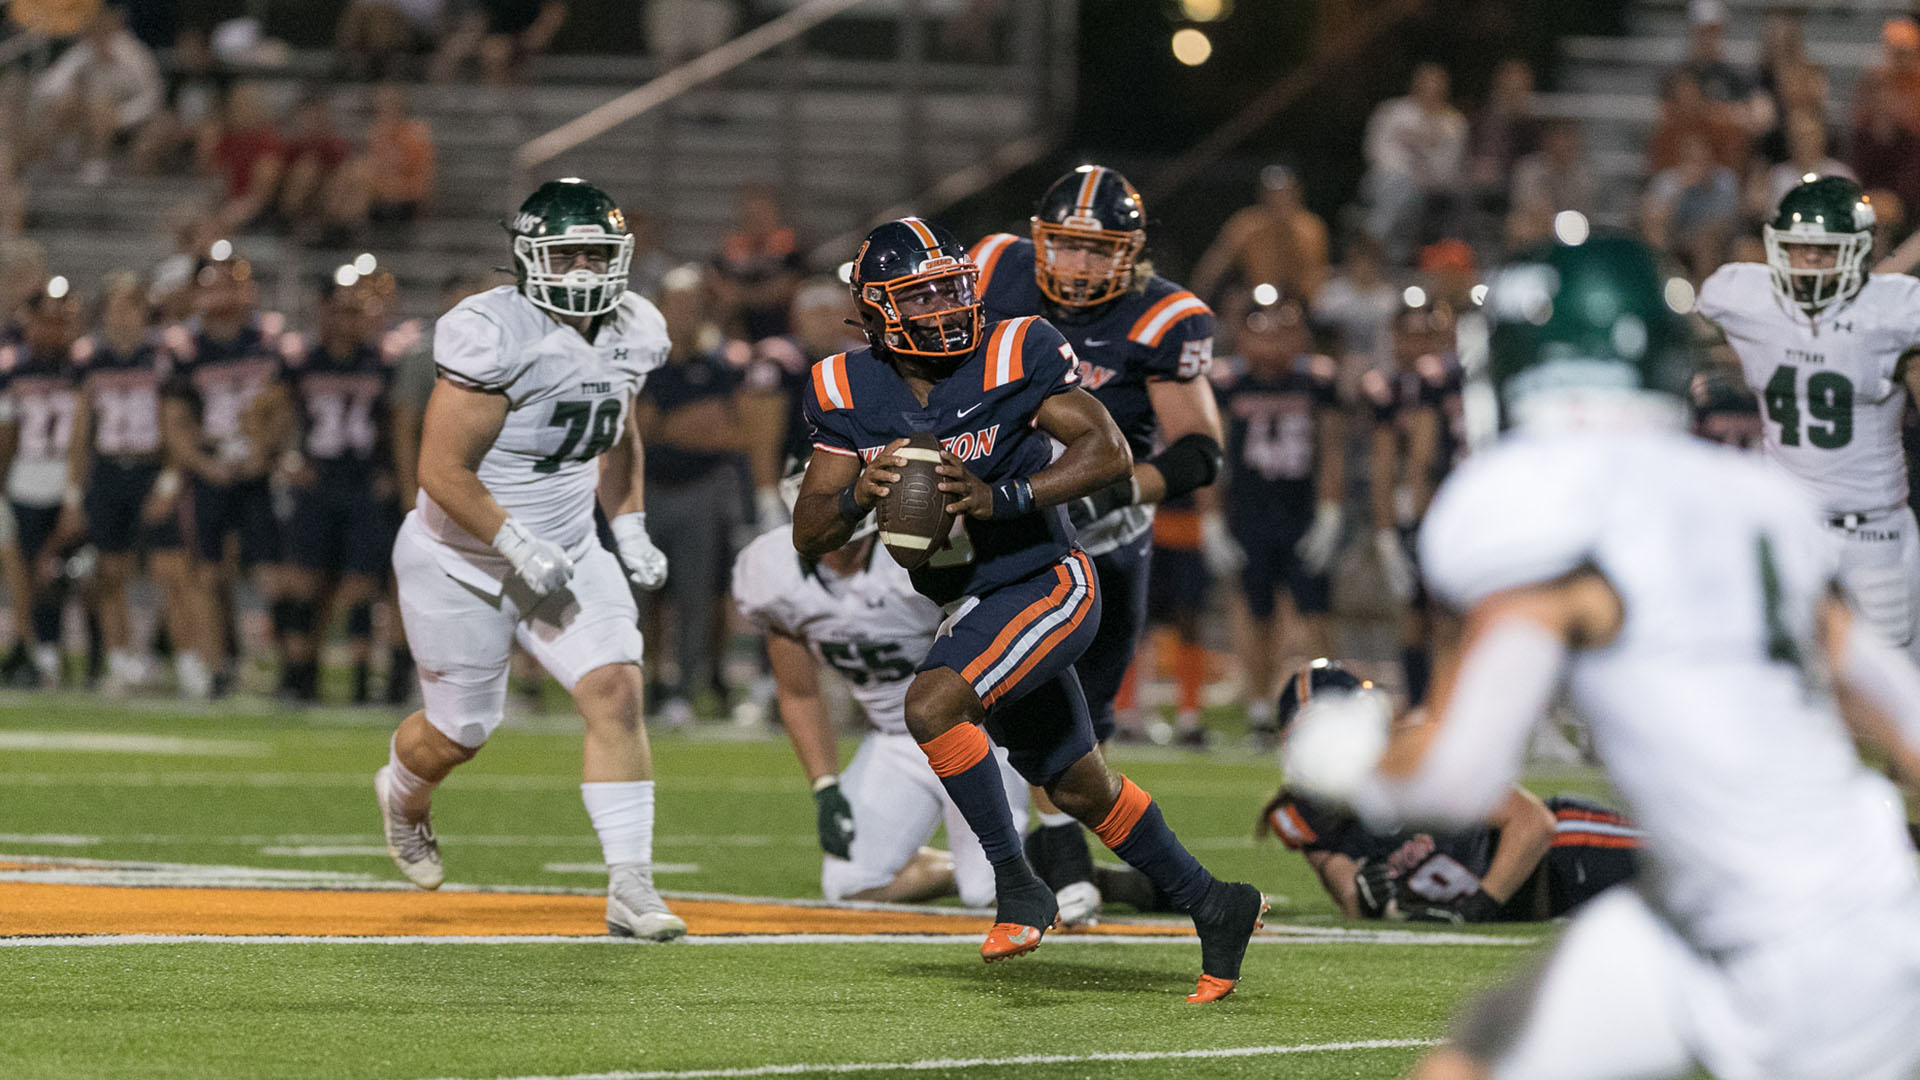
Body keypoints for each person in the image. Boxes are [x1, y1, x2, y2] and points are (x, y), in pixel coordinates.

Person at [1282, 230, 1920, 1080]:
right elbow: (1903, 717)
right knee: (1472, 1058)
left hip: (1805, 950)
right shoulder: (1756, 498)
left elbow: (1459, 779)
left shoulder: (1541, 498)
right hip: (1770, 903)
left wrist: (1357, 760)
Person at [791, 217, 1262, 1000]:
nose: (944, 307)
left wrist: (1005, 495)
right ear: (876, 311)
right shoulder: (844, 386)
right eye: (921, 295)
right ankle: (1216, 904)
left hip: (1048, 579)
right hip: (969, 602)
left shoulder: (1014, 348)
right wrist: (854, 497)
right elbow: (810, 529)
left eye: (950, 288)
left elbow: (1107, 450)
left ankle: (1019, 885)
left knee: (933, 704)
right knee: (1079, 787)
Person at [374, 178, 682, 941]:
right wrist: (511, 540)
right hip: (461, 559)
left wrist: (630, 525)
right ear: (528, 257)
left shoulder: (634, 328)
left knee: (615, 690)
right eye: (566, 253)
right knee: (461, 734)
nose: (581, 270)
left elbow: (618, 430)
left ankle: (631, 885)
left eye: (595, 254)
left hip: (570, 545)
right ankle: (404, 794)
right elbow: (440, 471)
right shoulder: (490, 332)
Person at [970, 167, 1227, 928]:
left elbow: (1199, 449)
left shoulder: (1161, 316)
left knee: (1092, 717)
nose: (1079, 267)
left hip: (1108, 535)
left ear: (1131, 252)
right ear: (1038, 240)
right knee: (1015, 693)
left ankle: (1070, 858)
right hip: (1009, 522)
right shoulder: (993, 270)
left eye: (1098, 250)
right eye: (1067, 248)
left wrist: (1109, 489)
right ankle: (1059, 859)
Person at [733, 469, 1029, 905]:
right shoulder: (771, 570)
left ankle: (1076, 871)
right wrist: (824, 787)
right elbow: (799, 692)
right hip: (894, 739)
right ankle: (963, 869)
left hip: (975, 734)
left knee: (986, 892)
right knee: (849, 884)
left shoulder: (923, 551)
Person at [1698, 176, 1920, 658]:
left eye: (1825, 251)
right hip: (1789, 525)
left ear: (1860, 252)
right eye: (1799, 248)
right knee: (1777, 670)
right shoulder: (1742, 295)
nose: (1810, 261)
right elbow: (1685, 326)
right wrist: (1718, 362)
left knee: (1888, 683)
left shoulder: (1893, 309)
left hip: (1872, 532)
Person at [1255, 661, 1637, 924]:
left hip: (1572, 852)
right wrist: (1373, 894)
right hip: (1537, 905)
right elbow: (1355, 902)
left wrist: (1480, 906)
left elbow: (1532, 822)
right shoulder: (1302, 813)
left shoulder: (1408, 758)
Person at [159, 250, 290, 698]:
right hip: (208, 468)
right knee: (207, 573)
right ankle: (217, 666)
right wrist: (203, 464)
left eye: (233, 281)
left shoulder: (269, 338)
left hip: (257, 469)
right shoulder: (184, 346)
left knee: (272, 573)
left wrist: (266, 451)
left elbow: (283, 405)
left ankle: (278, 662)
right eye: (216, 282)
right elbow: (173, 422)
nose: (226, 292)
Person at [276, 277, 413, 704]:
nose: (349, 321)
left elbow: (395, 424)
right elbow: (269, 413)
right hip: (317, 480)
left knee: (360, 585)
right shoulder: (301, 359)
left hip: (362, 484)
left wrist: (390, 471)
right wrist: (284, 457)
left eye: (357, 311)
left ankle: (360, 682)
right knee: (303, 583)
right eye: (341, 310)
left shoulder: (382, 361)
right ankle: (298, 676)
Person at [1214, 300, 1342, 742]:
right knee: (1256, 613)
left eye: (1283, 330)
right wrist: (1212, 518)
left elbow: (1332, 448)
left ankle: (1329, 710)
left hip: (1301, 510)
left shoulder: (1316, 379)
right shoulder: (1228, 381)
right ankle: (1259, 711)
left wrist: (1330, 510)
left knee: (1316, 614)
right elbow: (1213, 453)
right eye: (1262, 331)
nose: (1273, 341)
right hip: (1249, 511)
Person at [71, 273, 188, 696]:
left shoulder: (161, 357)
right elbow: (82, 430)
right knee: (109, 571)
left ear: (143, 311)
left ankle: (189, 663)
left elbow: (175, 426)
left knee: (170, 570)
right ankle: (121, 662)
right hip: (107, 470)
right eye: (114, 307)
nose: (121, 316)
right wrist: (73, 491)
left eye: (129, 306)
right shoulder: (91, 359)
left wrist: (169, 481)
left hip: (148, 468)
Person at [1360, 301, 1456, 703]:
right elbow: (1397, 464)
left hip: (1459, 506)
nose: (1418, 343)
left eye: (1426, 332)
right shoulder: (1390, 387)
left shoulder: (1457, 378)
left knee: (1452, 616)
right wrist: (1389, 531)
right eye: (1409, 332)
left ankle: (1445, 703)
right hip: (1420, 509)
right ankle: (1419, 704)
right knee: (1416, 613)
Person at [0, 284, 86, 685]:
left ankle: (97, 654)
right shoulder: (11, 367)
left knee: (78, 573)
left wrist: (78, 492)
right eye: (46, 321)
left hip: (76, 482)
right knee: (28, 569)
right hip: (26, 479)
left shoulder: (87, 365)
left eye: (62, 321)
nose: (55, 330)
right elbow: (6, 435)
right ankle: (34, 648)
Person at [1190, 164, 1330, 306]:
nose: (1278, 200)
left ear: (1297, 194)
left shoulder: (1310, 228)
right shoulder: (1246, 225)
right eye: (1272, 194)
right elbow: (1212, 267)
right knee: (1233, 302)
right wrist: (1196, 300)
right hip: (1255, 298)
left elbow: (1315, 276)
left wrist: (1304, 302)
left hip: (1300, 301)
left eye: (1284, 193)